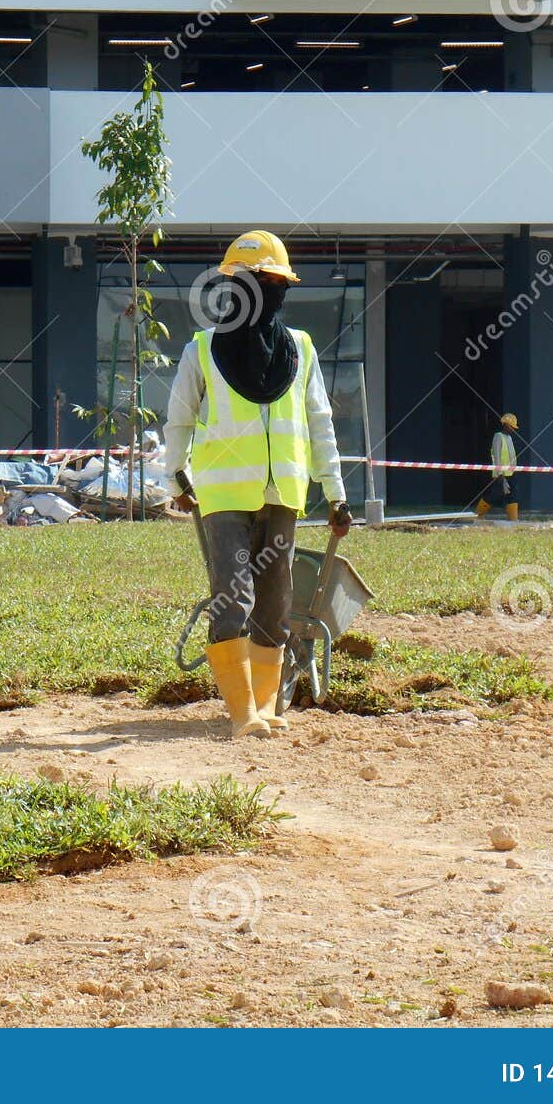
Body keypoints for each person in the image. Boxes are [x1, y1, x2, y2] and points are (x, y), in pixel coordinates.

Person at [164, 230, 352, 739]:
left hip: (283, 494)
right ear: (236, 286)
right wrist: (175, 475)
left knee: (274, 604)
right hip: (223, 495)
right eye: (257, 281)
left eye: (273, 282)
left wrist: (335, 492)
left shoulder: (300, 350)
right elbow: (179, 418)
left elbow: (319, 423)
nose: (267, 291)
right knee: (233, 600)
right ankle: (242, 712)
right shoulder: (203, 349)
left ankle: (266, 707)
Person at [475, 413, 520, 522]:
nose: (513, 430)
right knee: (493, 495)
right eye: (512, 427)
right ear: (506, 425)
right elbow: (496, 456)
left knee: (512, 496)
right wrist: (499, 474)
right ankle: (478, 515)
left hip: (510, 473)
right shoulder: (498, 437)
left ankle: (513, 519)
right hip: (500, 474)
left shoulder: (509, 438)